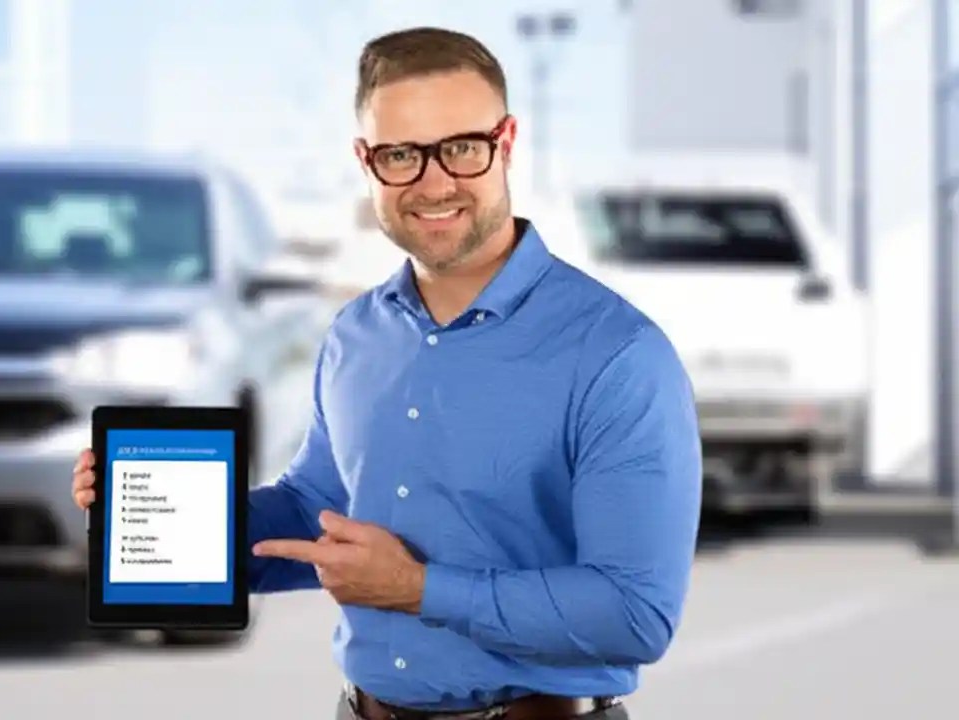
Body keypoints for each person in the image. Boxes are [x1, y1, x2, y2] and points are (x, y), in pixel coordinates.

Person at [72, 26, 701, 720]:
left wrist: (417, 588)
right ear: (367, 161)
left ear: (507, 142)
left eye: (462, 147)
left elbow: (635, 613)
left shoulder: (617, 353)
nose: (435, 183)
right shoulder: (355, 335)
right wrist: (148, 523)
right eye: (402, 155)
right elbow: (316, 513)